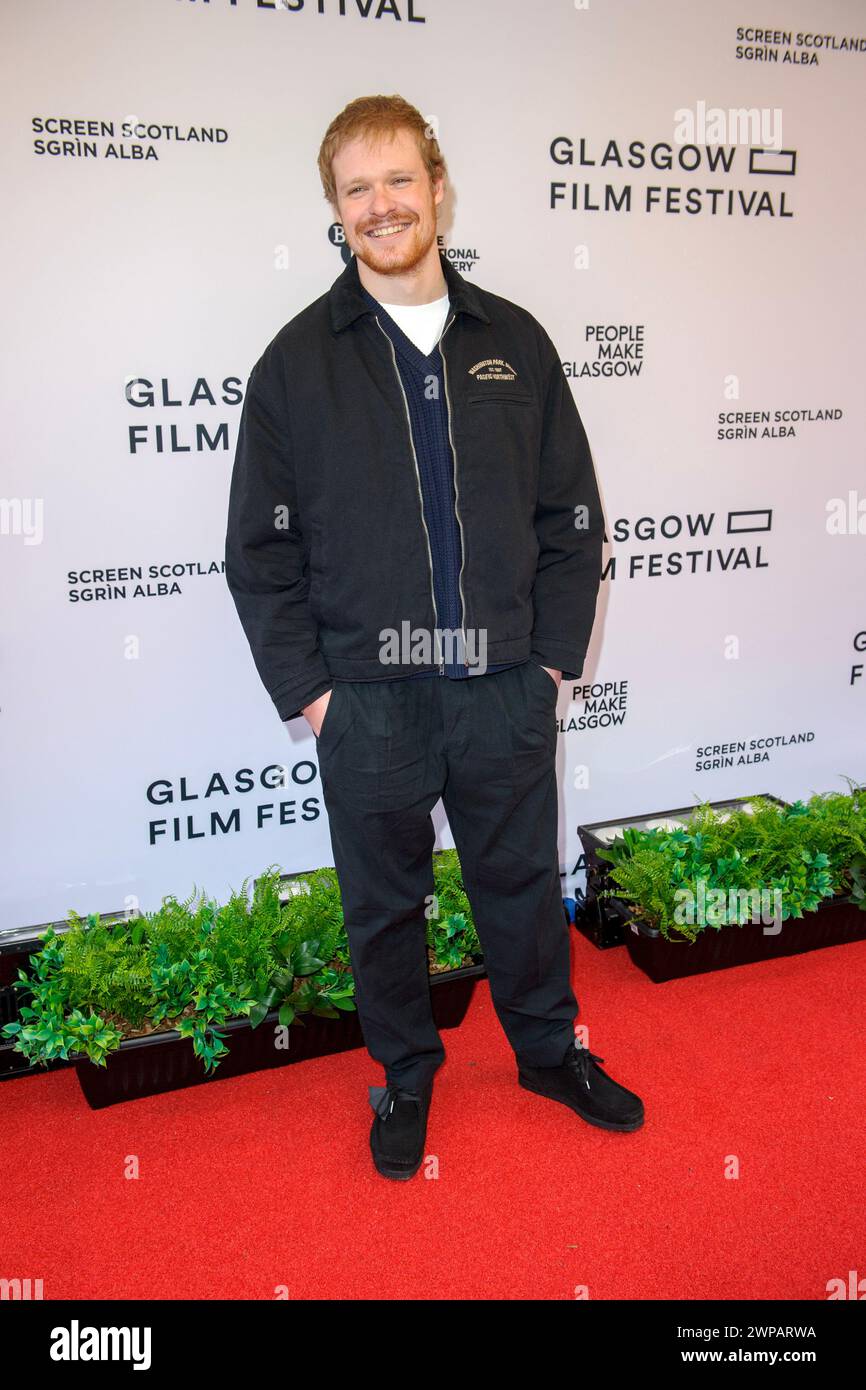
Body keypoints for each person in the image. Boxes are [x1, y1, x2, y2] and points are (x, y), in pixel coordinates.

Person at [225, 94, 644, 1181]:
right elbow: (257, 554)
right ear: (334, 208)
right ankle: (404, 1077)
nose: (380, 205)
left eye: (397, 179)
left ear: (437, 186)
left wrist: (550, 665)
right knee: (382, 909)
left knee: (519, 888)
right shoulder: (292, 366)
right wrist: (317, 697)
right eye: (356, 188)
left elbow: (572, 520)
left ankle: (549, 1055)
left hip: (502, 688)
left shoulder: (515, 340)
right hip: (369, 702)